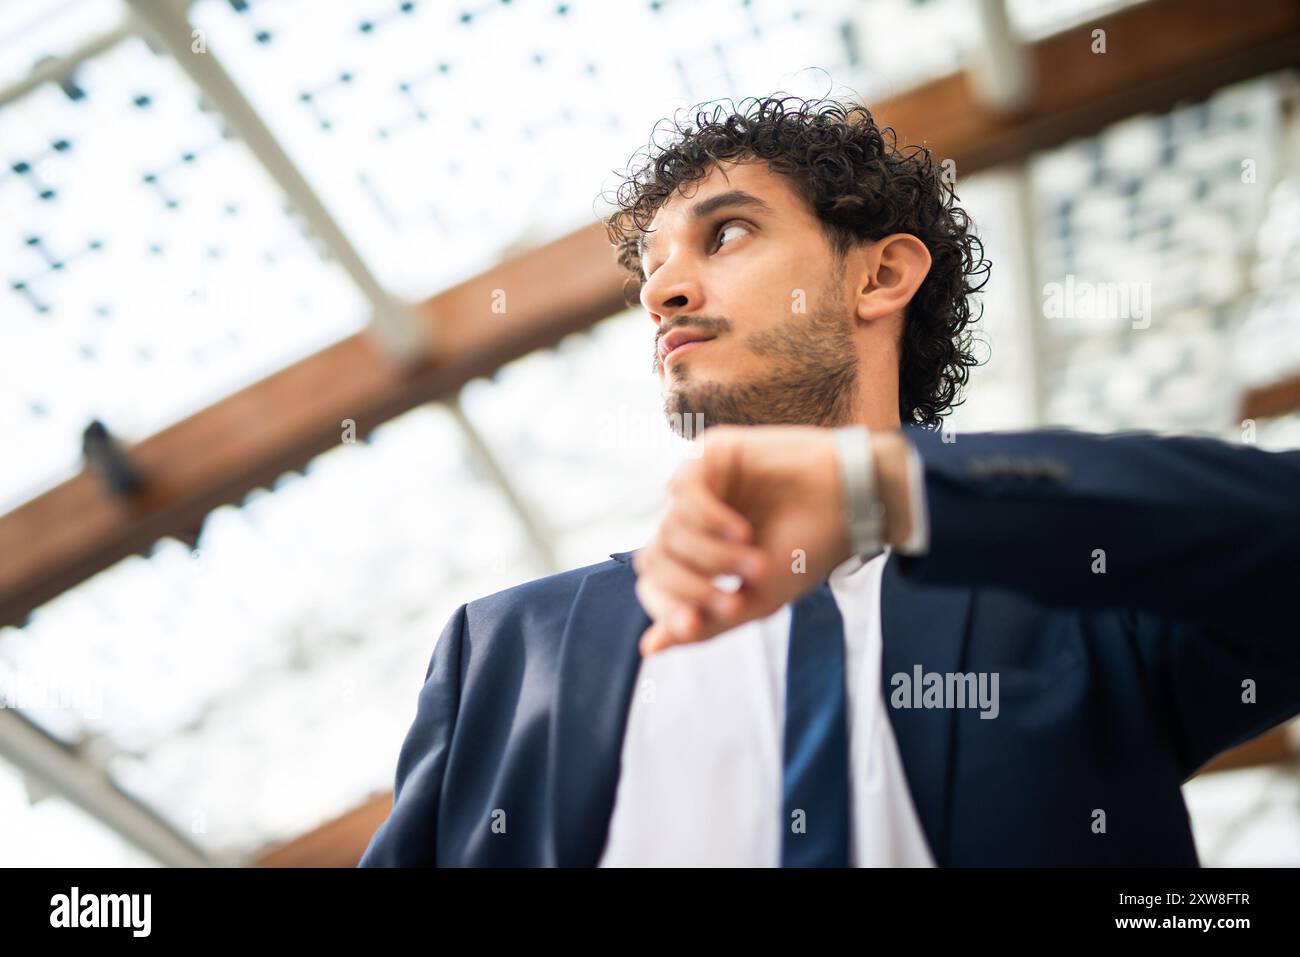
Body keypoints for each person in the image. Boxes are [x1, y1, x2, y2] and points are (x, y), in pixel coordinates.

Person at [358, 94, 1300, 867]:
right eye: (650, 270)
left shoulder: (1076, 586)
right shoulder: (505, 648)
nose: (660, 292)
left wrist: (883, 488)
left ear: (881, 274)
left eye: (724, 234)